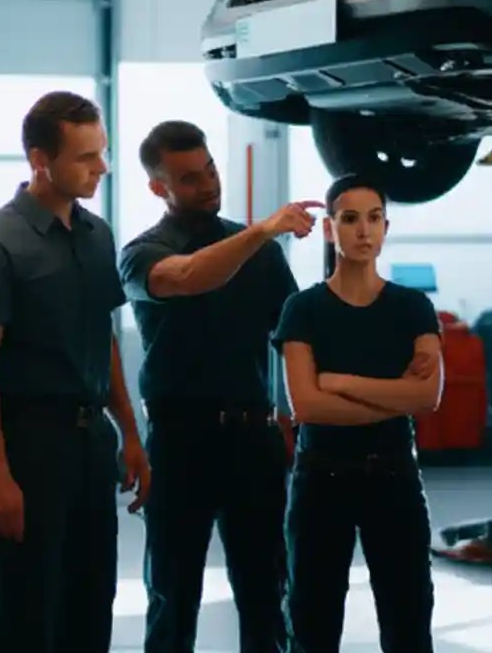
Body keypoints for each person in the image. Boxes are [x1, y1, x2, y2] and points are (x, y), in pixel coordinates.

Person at [0, 90, 152, 653]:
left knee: (89, 606)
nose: (102, 167)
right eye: (86, 157)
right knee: (23, 614)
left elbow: (103, 338)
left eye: (102, 152)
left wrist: (130, 433)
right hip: (30, 446)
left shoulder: (98, 235)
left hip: (92, 444)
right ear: (40, 160)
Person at [117, 120, 320, 652]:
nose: (208, 184)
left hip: (253, 439)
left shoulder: (262, 252)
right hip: (179, 443)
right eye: (189, 179)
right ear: (158, 187)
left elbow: (296, 336)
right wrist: (261, 232)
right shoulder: (142, 254)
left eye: (209, 169)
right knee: (172, 592)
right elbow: (190, 277)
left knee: (265, 590)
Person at [270, 174, 444, 653]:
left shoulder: (412, 308)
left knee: (408, 620)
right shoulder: (302, 309)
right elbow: (308, 406)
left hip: (394, 476)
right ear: (330, 229)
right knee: (312, 621)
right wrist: (392, 394)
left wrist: (342, 383)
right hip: (321, 480)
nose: (363, 231)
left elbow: (427, 396)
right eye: (350, 219)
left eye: (374, 219)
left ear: (386, 227)